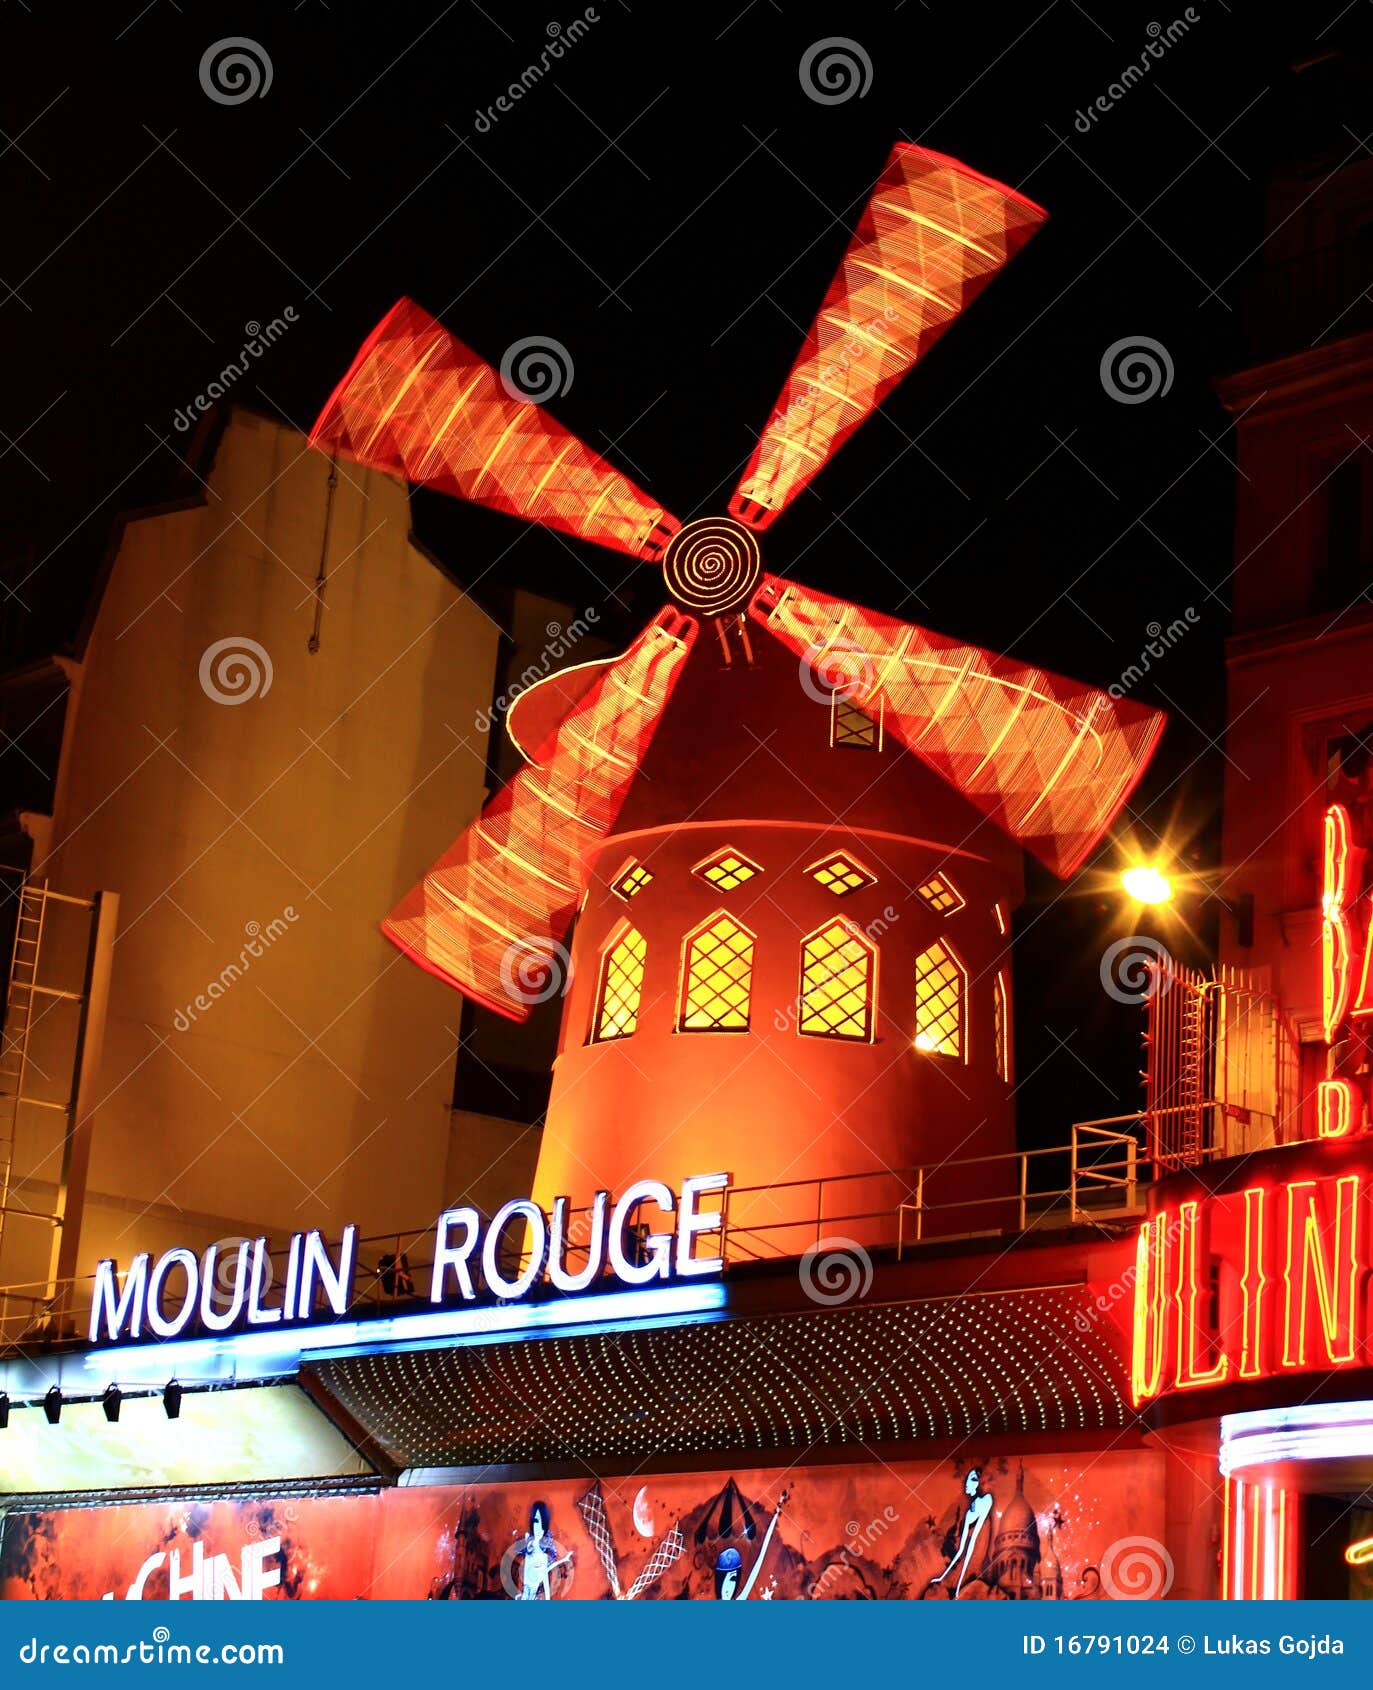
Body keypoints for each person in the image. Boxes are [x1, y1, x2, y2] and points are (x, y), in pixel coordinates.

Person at [927, 1468, 993, 1599]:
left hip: (975, 1564)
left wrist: (957, 1587)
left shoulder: (987, 1502)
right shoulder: (969, 1514)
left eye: (973, 1479)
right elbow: (962, 1550)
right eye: (968, 1479)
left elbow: (973, 1551)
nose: (967, 1483)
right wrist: (943, 1578)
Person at [515, 1502, 570, 1599]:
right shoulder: (527, 1546)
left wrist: (563, 1560)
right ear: (532, 1521)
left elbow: (545, 1574)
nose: (539, 1527)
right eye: (536, 1521)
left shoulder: (544, 1555)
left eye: (542, 1522)